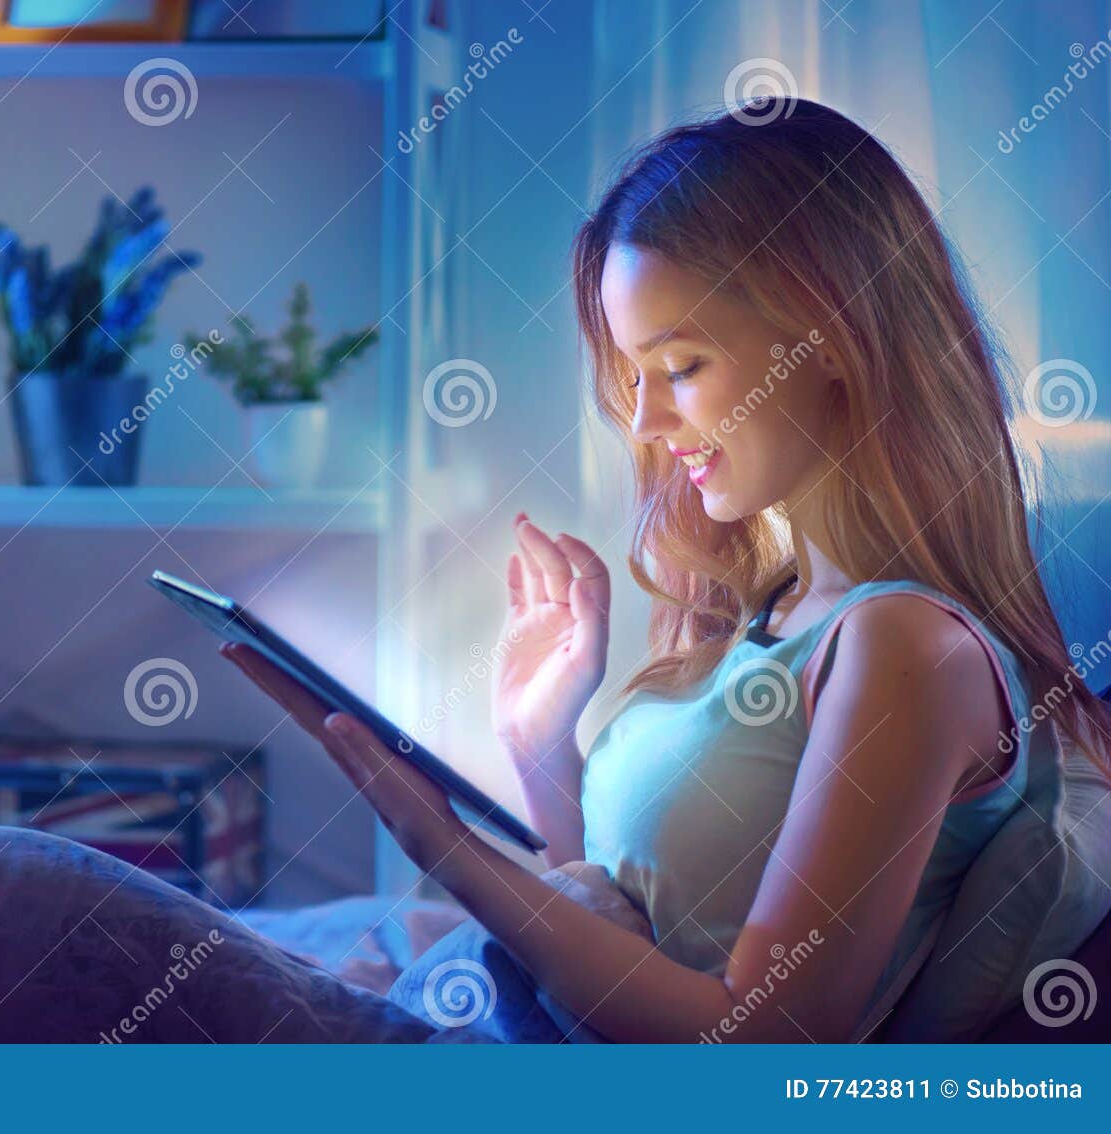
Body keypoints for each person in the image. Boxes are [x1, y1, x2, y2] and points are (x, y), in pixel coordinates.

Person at [224, 95, 1111, 1043]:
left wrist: (444, 848)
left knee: (57, 912)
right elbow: (623, 923)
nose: (643, 422)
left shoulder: (906, 648)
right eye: (631, 375)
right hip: (496, 1020)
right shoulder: (772, 611)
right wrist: (539, 741)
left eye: (681, 365)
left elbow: (756, 1043)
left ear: (833, 340)